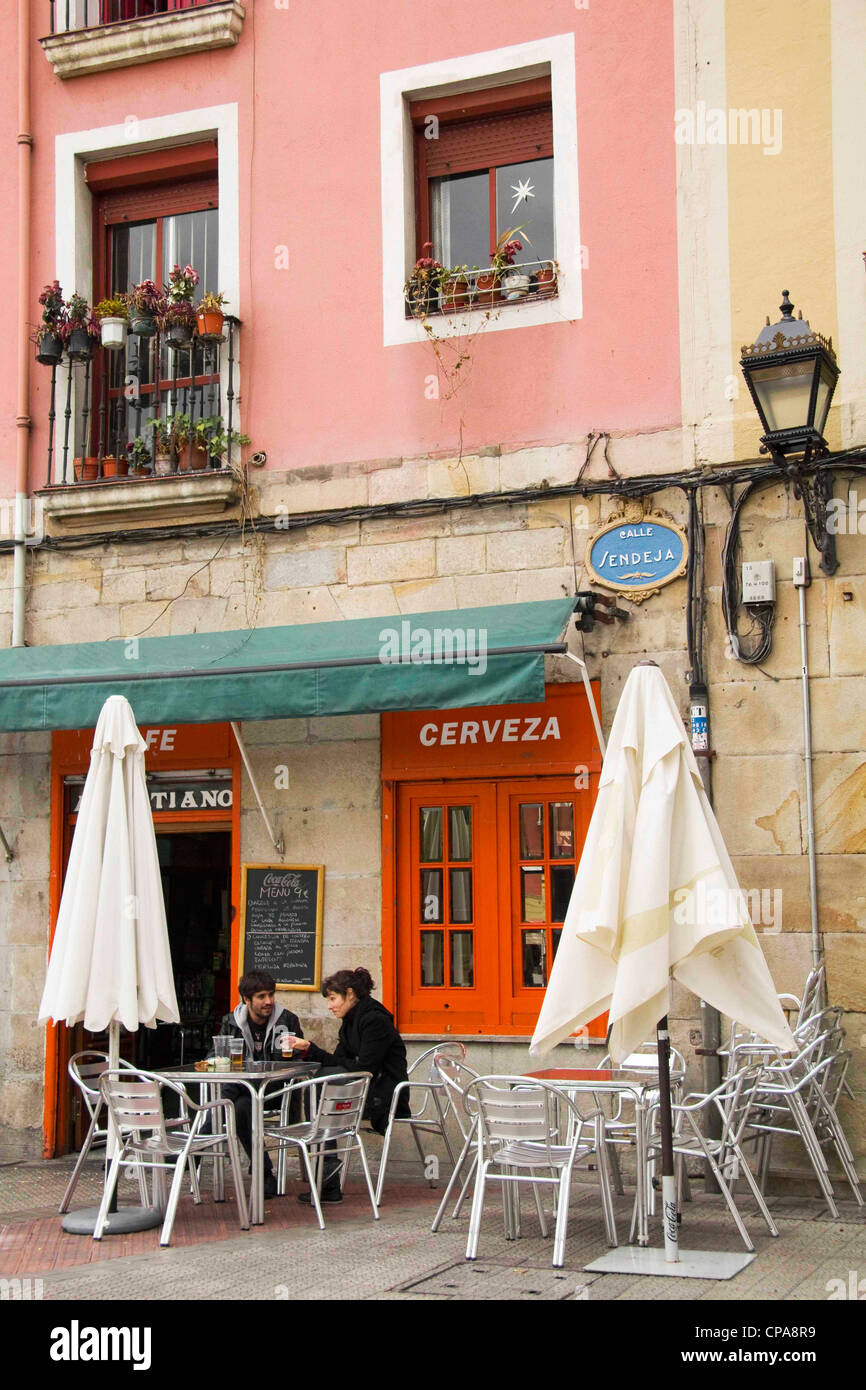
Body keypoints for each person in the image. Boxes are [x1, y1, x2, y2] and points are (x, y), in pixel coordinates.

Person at [291, 967, 410, 1204]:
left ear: (350, 994)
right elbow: (340, 1062)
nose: (329, 1005)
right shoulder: (350, 1021)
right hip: (360, 1092)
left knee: (321, 1087)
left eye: (333, 998)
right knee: (322, 1082)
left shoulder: (375, 1020)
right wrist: (309, 1050)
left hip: (383, 1098)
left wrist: (315, 1051)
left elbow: (364, 1068)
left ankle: (327, 1172)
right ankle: (327, 1172)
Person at [215, 969, 303, 1199]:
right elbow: (216, 1056)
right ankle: (264, 1172)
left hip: (277, 1090)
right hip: (245, 1092)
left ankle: (199, 1138)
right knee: (240, 1106)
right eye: (262, 996)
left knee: (228, 1096)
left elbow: (295, 1063)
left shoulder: (287, 1020)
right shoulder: (231, 1022)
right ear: (247, 999)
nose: (269, 1002)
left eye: (271, 995)